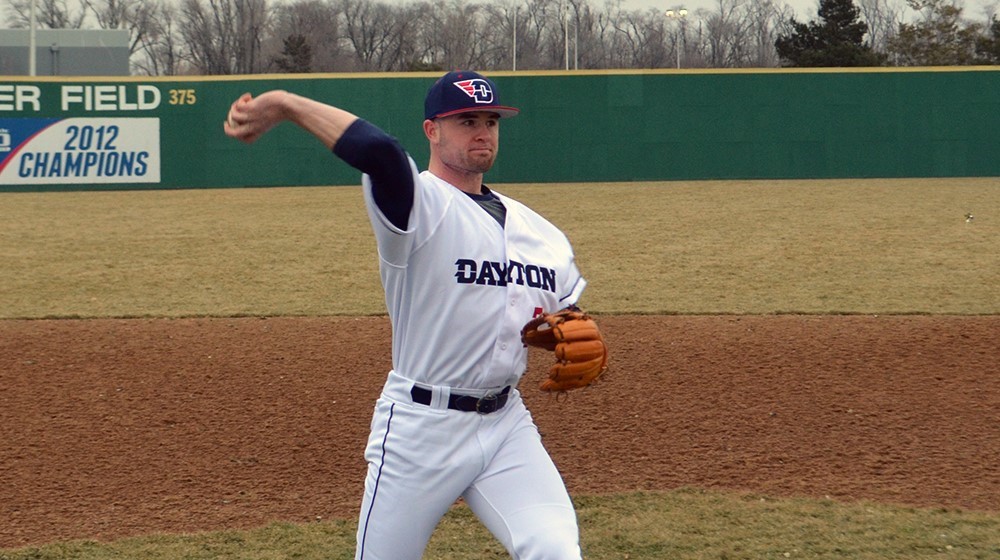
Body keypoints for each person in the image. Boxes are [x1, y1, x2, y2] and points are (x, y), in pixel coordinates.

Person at [224, 70, 594, 560]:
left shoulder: (542, 234)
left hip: (506, 424)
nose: (482, 131)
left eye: (490, 120)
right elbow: (379, 153)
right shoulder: (417, 204)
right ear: (432, 131)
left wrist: (568, 336)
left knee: (555, 549)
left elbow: (556, 320)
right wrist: (287, 104)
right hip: (420, 428)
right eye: (465, 120)